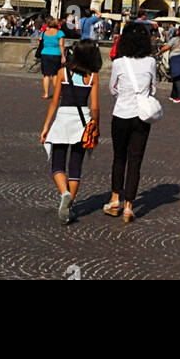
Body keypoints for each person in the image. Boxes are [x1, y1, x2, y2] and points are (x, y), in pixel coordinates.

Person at [40, 38, 102, 224]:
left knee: (57, 164)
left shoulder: (62, 73)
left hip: (64, 118)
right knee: (76, 165)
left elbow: (54, 101)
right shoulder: (93, 76)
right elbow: (95, 106)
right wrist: (95, 125)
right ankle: (69, 206)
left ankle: (64, 193)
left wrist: (46, 127)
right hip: (82, 120)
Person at [106, 23, 159, 223]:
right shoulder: (151, 62)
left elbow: (112, 88)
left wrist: (124, 95)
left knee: (119, 158)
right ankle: (129, 206)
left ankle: (114, 199)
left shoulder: (119, 63)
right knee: (135, 160)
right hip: (141, 116)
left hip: (121, 114)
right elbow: (153, 88)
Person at [38, 17, 66, 100]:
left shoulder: (43, 33)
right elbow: (61, 45)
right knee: (55, 75)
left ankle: (46, 94)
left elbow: (39, 41)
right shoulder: (60, 33)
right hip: (55, 54)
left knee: (46, 75)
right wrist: (63, 56)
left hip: (45, 54)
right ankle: (57, 94)